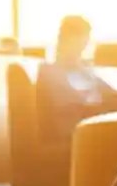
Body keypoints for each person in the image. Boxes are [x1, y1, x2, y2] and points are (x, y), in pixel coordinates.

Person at [35, 15, 110, 146]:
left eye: (85, 41)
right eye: (79, 40)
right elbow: (73, 103)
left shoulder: (85, 70)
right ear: (63, 39)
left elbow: (104, 91)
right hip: (74, 131)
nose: (83, 47)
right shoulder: (49, 71)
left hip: (90, 124)